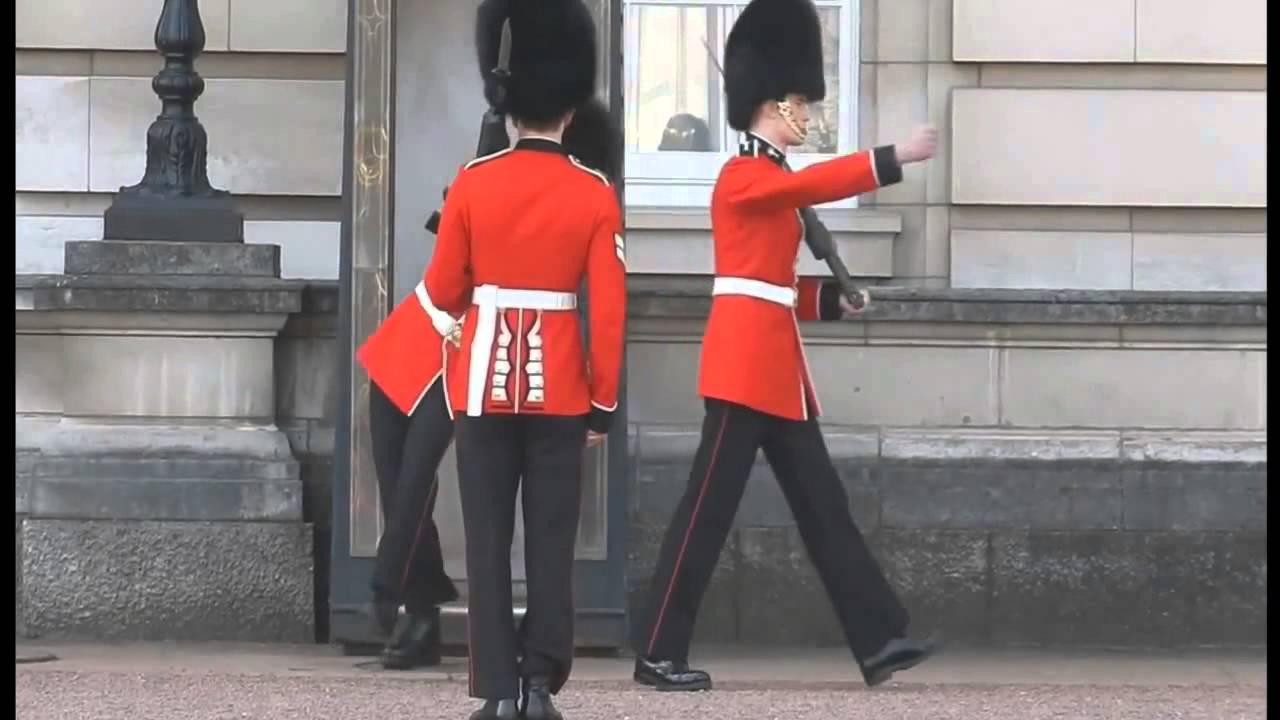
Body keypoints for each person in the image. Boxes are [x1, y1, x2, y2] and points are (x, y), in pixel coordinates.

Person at [632, 0, 941, 693]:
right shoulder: (745, 177)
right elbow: (809, 186)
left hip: (776, 372)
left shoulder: (772, 183)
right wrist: (892, 158)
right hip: (745, 372)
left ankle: (879, 639)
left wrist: (835, 300)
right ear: (774, 104)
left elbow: (773, 287)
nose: (806, 112)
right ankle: (657, 651)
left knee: (824, 509)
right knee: (705, 516)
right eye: (799, 101)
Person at [424, 0, 626, 717]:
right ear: (570, 109)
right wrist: (603, 401)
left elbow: (444, 290)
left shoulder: (473, 183)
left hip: (480, 388)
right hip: (562, 395)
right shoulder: (594, 193)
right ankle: (541, 685)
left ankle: (498, 692)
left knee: (485, 543)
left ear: (507, 109)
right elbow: (607, 311)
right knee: (550, 545)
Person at [354, 271, 464, 670]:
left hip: (460, 359)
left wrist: (386, 581)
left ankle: (389, 588)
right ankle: (424, 615)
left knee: (414, 488)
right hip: (409, 344)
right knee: (396, 491)